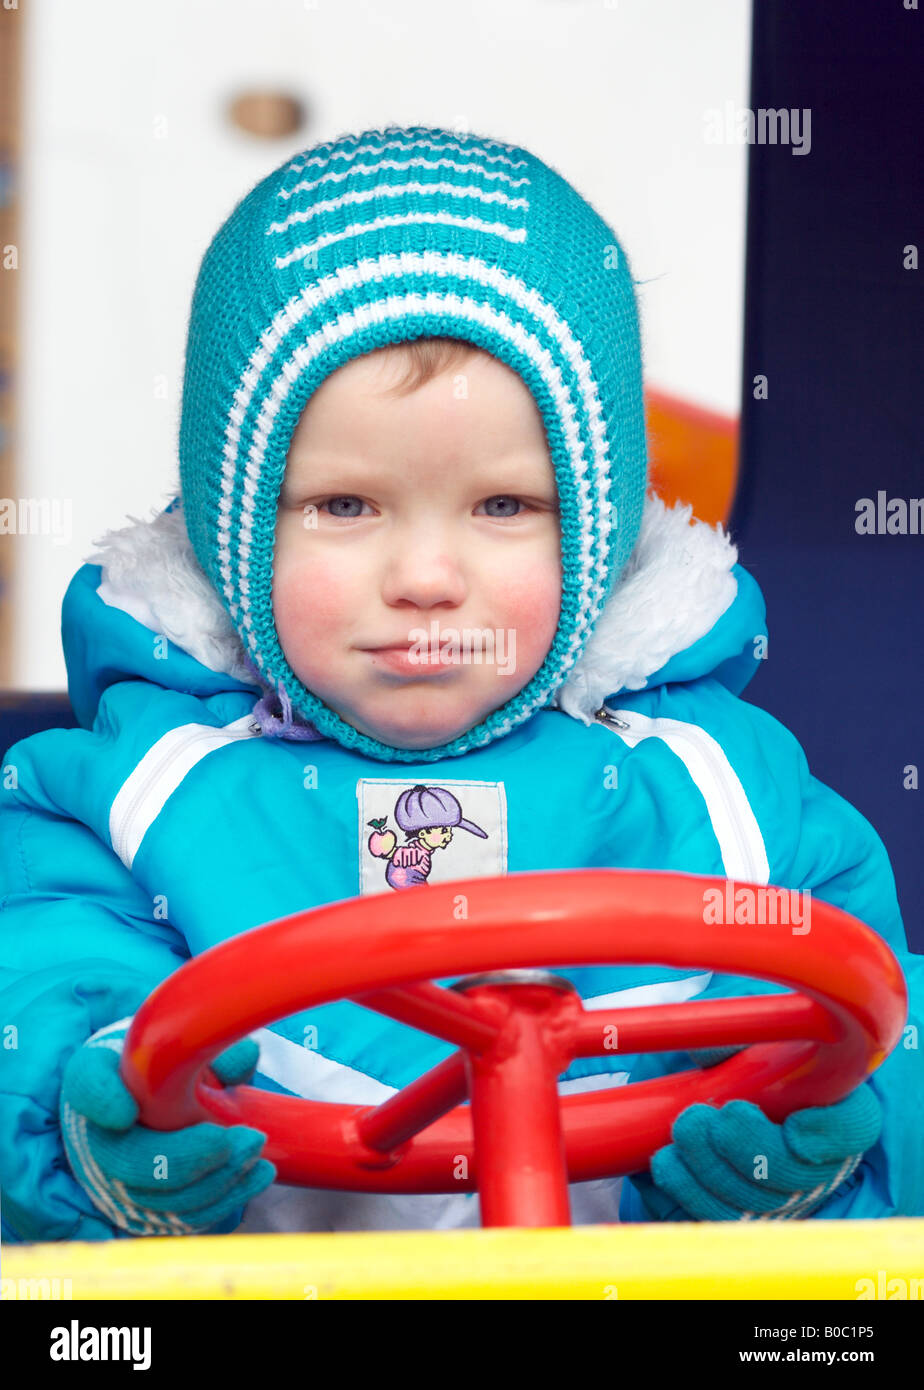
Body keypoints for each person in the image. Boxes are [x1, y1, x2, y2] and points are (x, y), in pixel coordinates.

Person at [1, 124, 921, 1243]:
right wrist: (100, 1144)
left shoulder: (729, 795)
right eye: (344, 506)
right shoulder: (124, 797)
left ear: (595, 536)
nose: (427, 578)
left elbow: (874, 1036)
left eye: (503, 508)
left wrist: (798, 1169)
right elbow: (46, 984)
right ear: (236, 533)